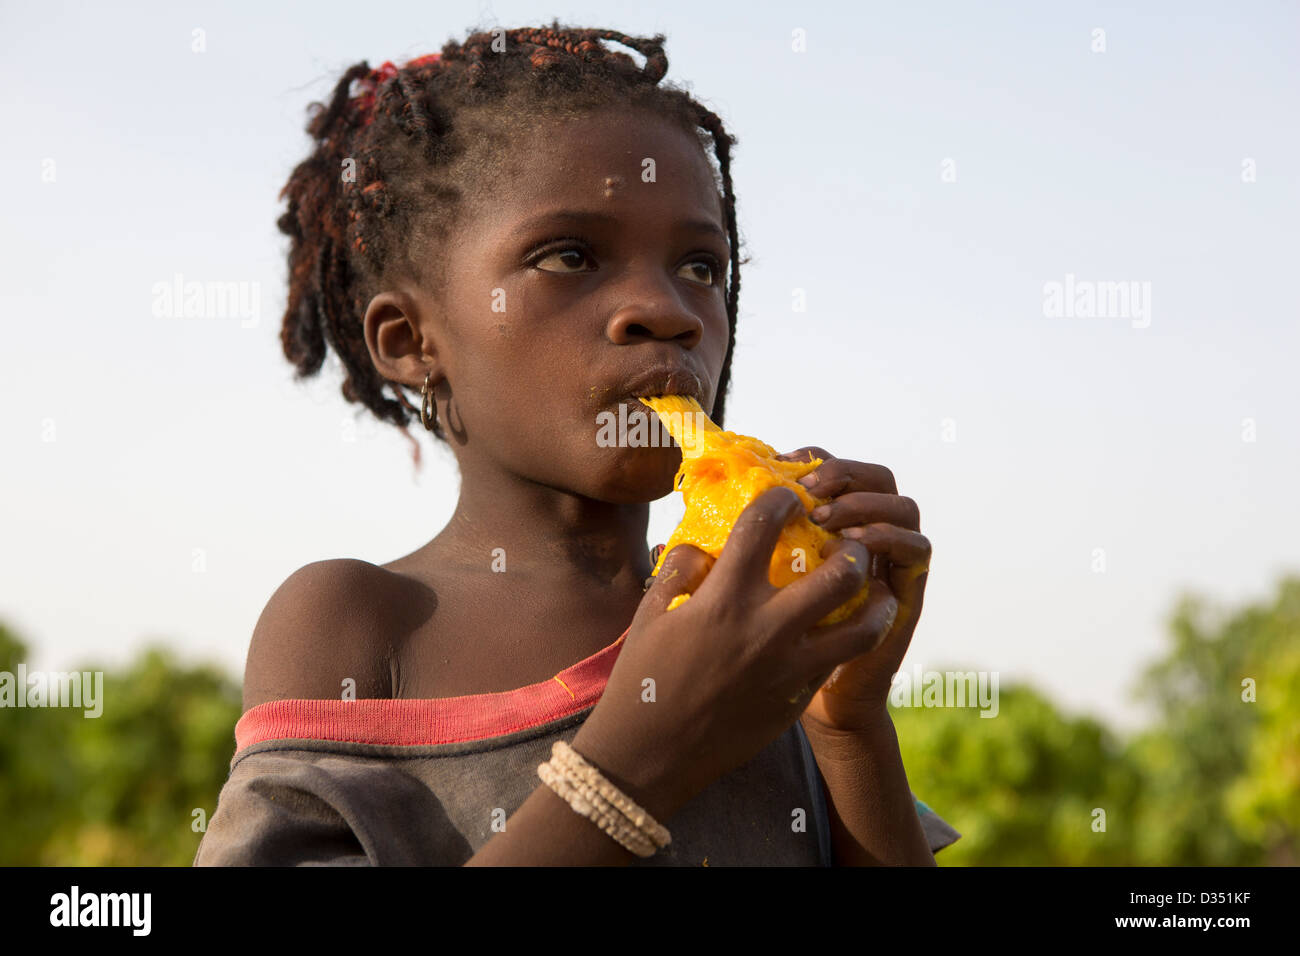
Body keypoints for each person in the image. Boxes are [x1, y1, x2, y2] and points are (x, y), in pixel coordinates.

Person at [194, 22, 960, 866]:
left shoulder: (752, 624)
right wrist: (642, 756)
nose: (665, 310)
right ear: (412, 340)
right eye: (569, 256)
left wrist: (847, 730)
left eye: (701, 268)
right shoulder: (359, 623)